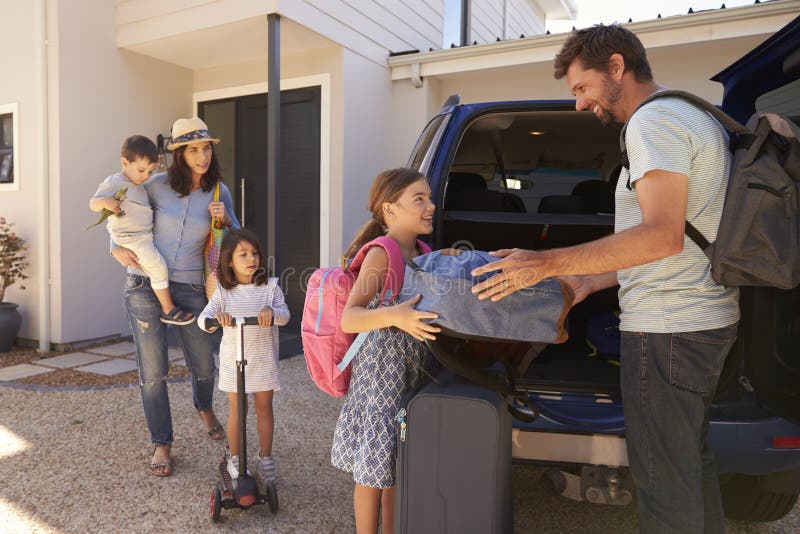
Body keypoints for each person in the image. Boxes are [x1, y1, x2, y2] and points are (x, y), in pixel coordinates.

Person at [471, 25, 739, 533]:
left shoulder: (651, 124)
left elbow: (661, 236)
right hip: (703, 322)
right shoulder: (691, 114)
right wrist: (585, 284)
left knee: (663, 487)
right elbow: (676, 242)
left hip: (668, 331)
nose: (578, 104)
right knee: (689, 465)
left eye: (581, 88)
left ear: (616, 67)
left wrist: (545, 263)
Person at [111, 117, 240, 477]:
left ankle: (204, 407)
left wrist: (227, 220)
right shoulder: (153, 186)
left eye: (206, 148)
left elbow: (240, 242)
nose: (202, 156)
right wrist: (114, 248)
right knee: (153, 371)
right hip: (143, 285)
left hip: (193, 287)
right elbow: (120, 217)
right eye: (193, 149)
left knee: (203, 364)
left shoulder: (219, 191)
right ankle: (162, 443)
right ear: (178, 154)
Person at [330, 167, 441, 534]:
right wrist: (398, 316)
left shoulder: (424, 251)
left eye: (429, 197)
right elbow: (351, 318)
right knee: (373, 468)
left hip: (411, 371)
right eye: (419, 199)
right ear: (390, 209)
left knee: (396, 463)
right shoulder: (384, 253)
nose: (431, 206)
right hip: (381, 374)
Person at [197, 229, 290, 486]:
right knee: (238, 410)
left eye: (255, 253)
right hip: (233, 361)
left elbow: (285, 315)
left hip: (262, 360)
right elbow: (203, 318)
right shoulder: (224, 292)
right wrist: (216, 320)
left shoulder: (270, 288)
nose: (251, 259)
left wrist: (271, 312)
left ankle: (265, 458)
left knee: (264, 408)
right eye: (243, 254)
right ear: (229, 260)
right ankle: (236, 458)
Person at [90, 135, 194, 326]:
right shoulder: (114, 182)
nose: (146, 176)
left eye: (150, 171)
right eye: (141, 170)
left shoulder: (141, 184)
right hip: (133, 239)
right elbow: (93, 203)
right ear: (124, 163)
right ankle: (168, 308)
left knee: (155, 266)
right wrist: (105, 202)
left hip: (143, 236)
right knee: (158, 267)